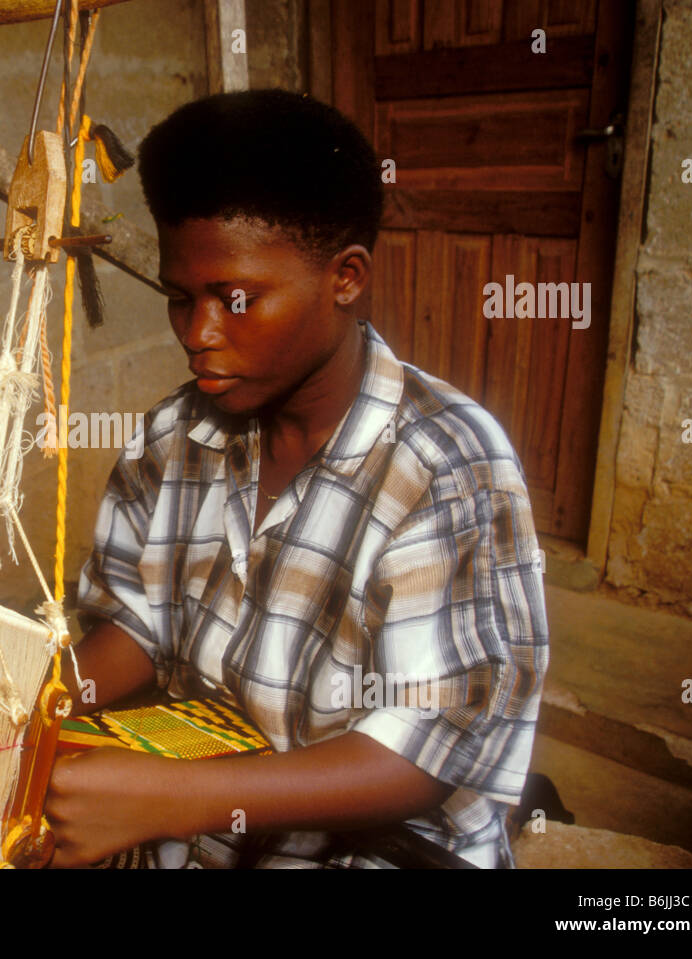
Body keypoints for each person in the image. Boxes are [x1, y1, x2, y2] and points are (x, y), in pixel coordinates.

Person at [44, 89, 549, 868]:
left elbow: (425, 747)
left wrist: (174, 798)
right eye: (181, 299)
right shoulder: (175, 437)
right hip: (198, 822)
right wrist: (39, 702)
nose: (199, 335)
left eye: (236, 299)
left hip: (376, 847)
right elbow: (140, 626)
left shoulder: (443, 465)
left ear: (344, 278)